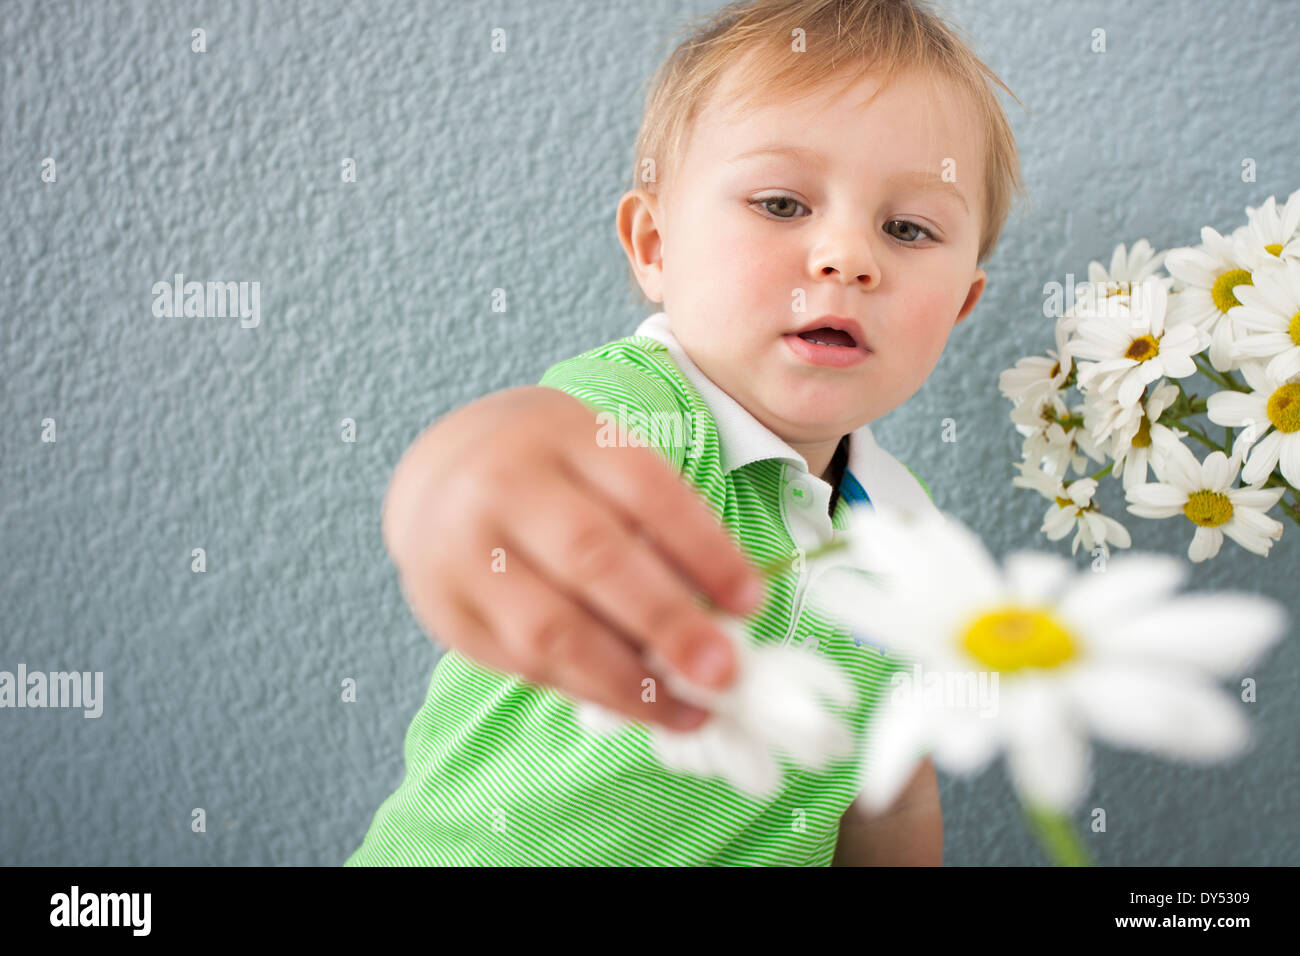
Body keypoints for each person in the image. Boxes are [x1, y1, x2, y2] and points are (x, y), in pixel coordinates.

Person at [347, 0, 1025, 866]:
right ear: (655, 244)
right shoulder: (650, 417)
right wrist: (454, 486)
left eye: (908, 229)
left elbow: (886, 794)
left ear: (963, 303)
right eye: (781, 204)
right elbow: (514, 453)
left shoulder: (909, 531)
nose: (849, 256)